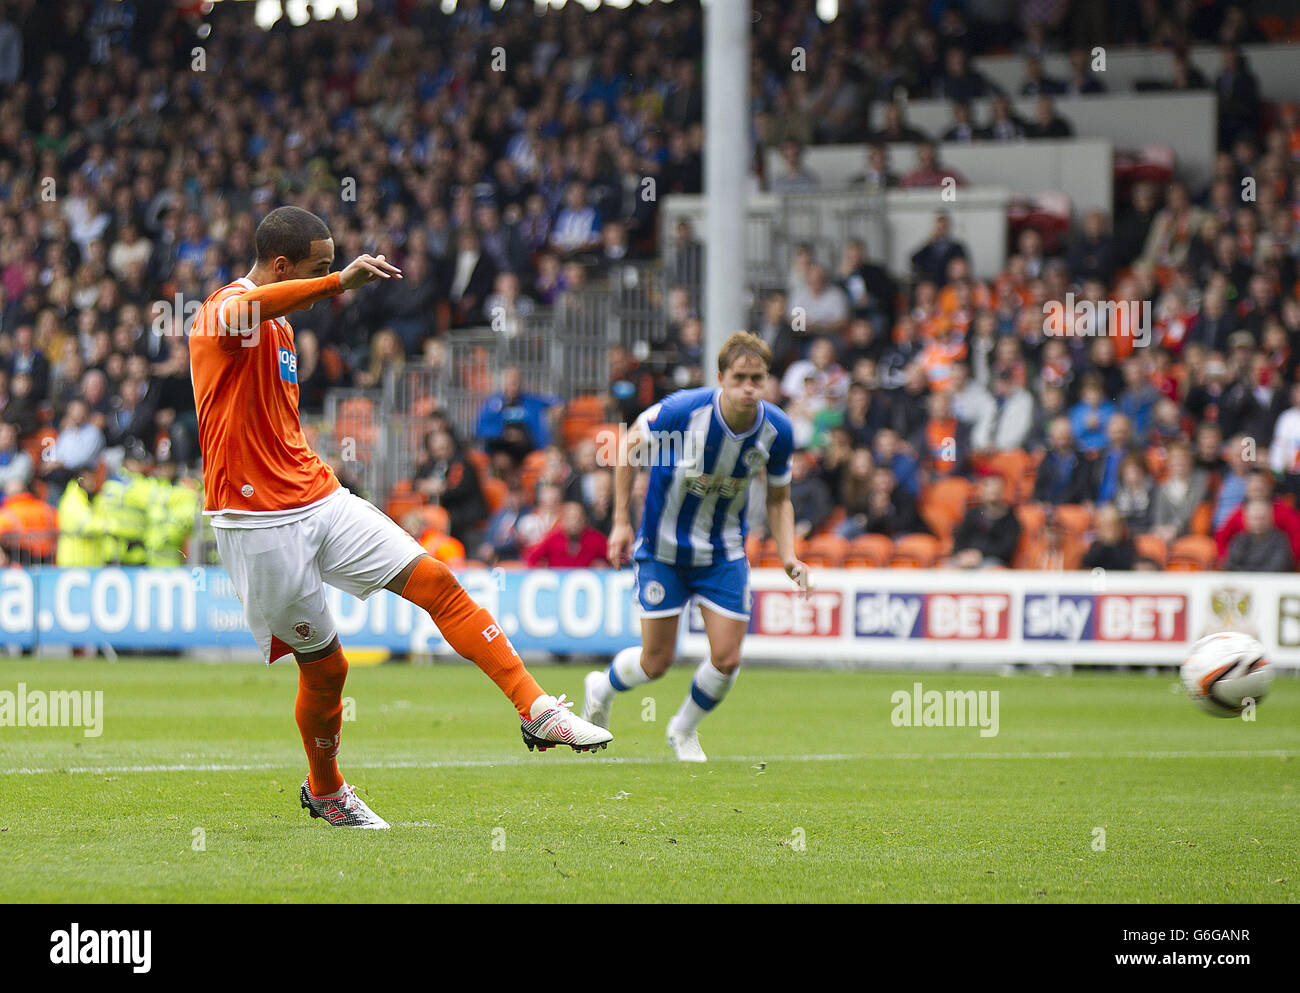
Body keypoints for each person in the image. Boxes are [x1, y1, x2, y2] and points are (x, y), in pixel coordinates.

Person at [190, 206, 610, 830]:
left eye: (330, 270)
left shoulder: (281, 330)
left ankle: (537, 709)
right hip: (256, 521)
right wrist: (337, 283)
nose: (328, 279)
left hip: (318, 496)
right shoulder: (222, 310)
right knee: (328, 668)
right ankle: (325, 789)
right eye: (319, 268)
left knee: (438, 582)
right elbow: (237, 312)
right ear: (283, 267)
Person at [583, 332, 809, 762]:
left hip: (722, 553)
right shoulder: (683, 411)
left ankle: (683, 730)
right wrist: (619, 523)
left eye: (757, 379)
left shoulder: (776, 430)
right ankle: (601, 686)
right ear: (721, 377)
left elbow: (780, 498)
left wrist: (789, 555)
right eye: (740, 377)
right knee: (656, 662)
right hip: (663, 551)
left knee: (726, 657)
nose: (749, 388)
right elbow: (629, 444)